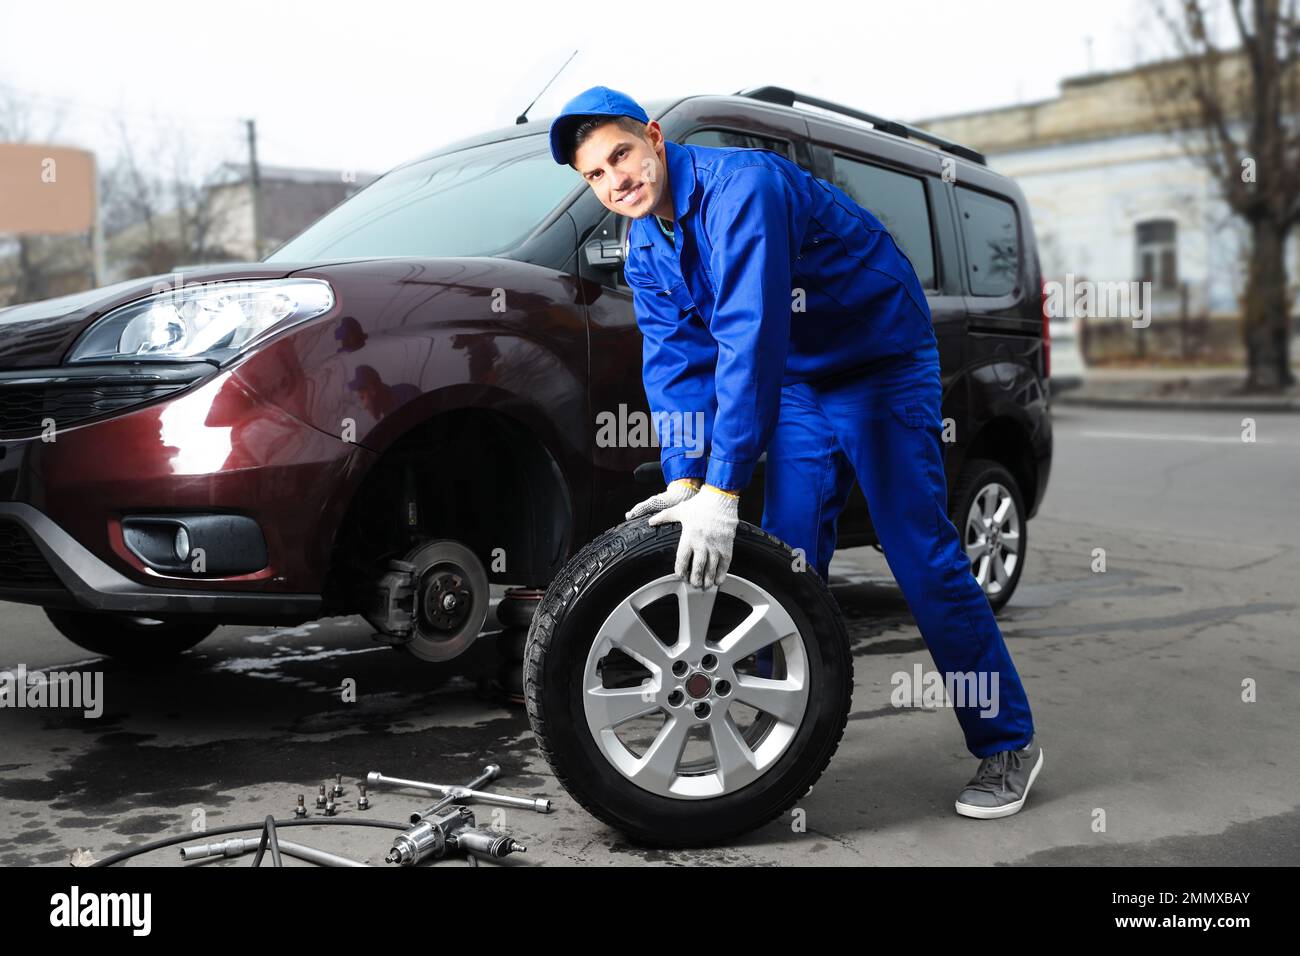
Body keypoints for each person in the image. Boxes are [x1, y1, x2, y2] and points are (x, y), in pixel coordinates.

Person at [550, 86, 1043, 819]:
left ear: (653, 137)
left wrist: (724, 491)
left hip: (880, 360)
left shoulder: (742, 188)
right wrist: (688, 480)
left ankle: (1008, 744)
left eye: (621, 154)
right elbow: (677, 362)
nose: (615, 181)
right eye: (595, 174)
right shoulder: (647, 243)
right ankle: (782, 740)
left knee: (921, 554)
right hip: (802, 377)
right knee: (788, 558)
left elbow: (749, 335)